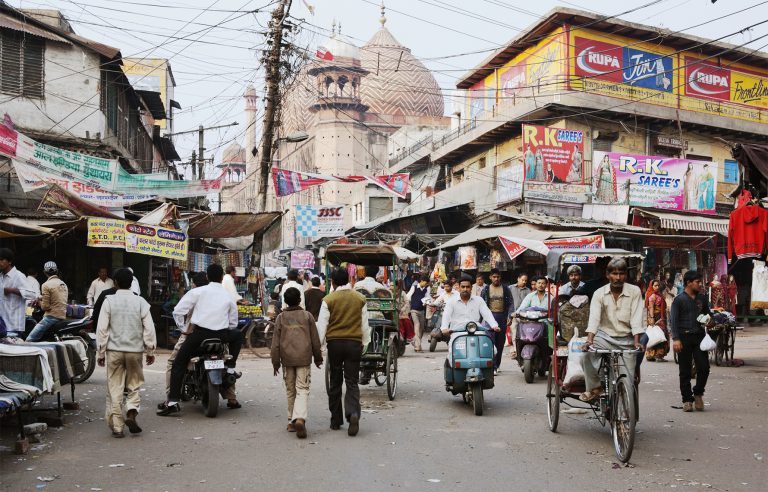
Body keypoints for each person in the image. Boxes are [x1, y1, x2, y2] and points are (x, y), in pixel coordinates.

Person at [157, 264, 243, 416]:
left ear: (208, 277)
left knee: (178, 363)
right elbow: (233, 323)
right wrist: (224, 328)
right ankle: (230, 368)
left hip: (199, 336)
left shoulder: (197, 292)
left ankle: (173, 402)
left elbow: (178, 311)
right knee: (237, 334)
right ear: (222, 277)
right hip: (221, 337)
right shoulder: (228, 295)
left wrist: (184, 329)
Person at [96, 268, 156, 438]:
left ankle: (117, 427)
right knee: (134, 384)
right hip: (134, 351)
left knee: (114, 388)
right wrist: (150, 350)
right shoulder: (141, 302)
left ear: (115, 283)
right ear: (131, 283)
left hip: (114, 351)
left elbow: (102, 329)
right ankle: (131, 410)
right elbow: (149, 328)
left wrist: (101, 352)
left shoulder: (109, 301)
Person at [579, 258, 644, 403]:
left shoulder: (635, 291)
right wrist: (589, 340)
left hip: (627, 339)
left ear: (626, 275)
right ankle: (595, 388)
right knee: (585, 356)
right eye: (614, 273)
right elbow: (594, 318)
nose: (618, 277)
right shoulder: (599, 293)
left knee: (628, 382)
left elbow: (636, 318)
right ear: (608, 275)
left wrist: (636, 342)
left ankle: (625, 408)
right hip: (604, 338)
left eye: (621, 273)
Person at [316, 268, 371, 436]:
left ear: (332, 282)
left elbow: (322, 326)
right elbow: (364, 325)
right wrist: (365, 342)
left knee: (335, 381)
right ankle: (353, 413)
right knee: (352, 381)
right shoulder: (360, 298)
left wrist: (319, 347)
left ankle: (335, 419)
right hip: (354, 344)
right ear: (348, 279)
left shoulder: (328, 300)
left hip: (335, 344)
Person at [271, 287, 323, 439]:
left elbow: (275, 344)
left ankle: (290, 421)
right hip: (303, 359)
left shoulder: (280, 318)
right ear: (300, 300)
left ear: (285, 302)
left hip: (287, 360)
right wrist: (318, 358)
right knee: (302, 389)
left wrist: (275, 363)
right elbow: (315, 340)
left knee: (290, 390)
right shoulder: (307, 316)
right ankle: (299, 418)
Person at [670, 270, 711, 412]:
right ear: (688, 283)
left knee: (704, 368)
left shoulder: (702, 299)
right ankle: (687, 399)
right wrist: (676, 339)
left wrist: (710, 321)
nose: (700, 284)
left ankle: (698, 393)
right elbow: (673, 321)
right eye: (697, 282)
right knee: (685, 370)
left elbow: (708, 314)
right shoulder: (679, 300)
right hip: (683, 337)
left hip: (699, 337)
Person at [440, 275, 499, 365]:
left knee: (492, 350)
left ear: (471, 288)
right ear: (459, 288)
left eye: (468, 287)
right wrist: (444, 328)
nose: (465, 289)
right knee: (452, 355)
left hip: (477, 331)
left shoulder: (479, 300)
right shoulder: (451, 301)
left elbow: (487, 313)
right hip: (458, 332)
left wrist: (494, 325)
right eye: (463, 287)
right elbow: (446, 315)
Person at [480, 268, 514, 374]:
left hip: (501, 317)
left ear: (500, 277)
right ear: (490, 277)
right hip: (489, 318)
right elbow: (481, 304)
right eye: (494, 277)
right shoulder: (486, 289)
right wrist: (479, 320)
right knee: (490, 342)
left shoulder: (506, 289)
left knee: (500, 343)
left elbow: (511, 303)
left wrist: (510, 316)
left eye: (498, 277)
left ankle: (497, 364)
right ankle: (492, 366)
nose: (496, 279)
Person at [26, 262, 68, 342]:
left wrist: (39, 302)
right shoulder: (63, 284)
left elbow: (45, 307)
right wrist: (40, 298)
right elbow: (55, 296)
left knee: (29, 340)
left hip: (50, 317)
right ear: (57, 271)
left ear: (44, 272)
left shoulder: (46, 285)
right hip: (62, 315)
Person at [0, 248, 36, 333]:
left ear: (9, 261)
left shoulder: (18, 276)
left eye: (1, 260)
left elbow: (32, 294)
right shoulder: (0, 277)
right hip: (2, 326)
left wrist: (11, 290)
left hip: (13, 326)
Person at [644, 280, 669, 362]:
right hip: (656, 318)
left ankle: (652, 355)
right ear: (651, 286)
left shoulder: (658, 294)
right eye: (655, 285)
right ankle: (657, 355)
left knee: (656, 335)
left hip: (660, 318)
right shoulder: (652, 295)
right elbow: (650, 307)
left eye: (658, 285)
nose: (657, 287)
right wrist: (652, 318)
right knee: (658, 336)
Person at [508, 272, 531, 359]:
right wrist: (509, 315)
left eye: (526, 280)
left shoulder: (528, 291)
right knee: (514, 334)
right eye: (522, 280)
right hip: (513, 315)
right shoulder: (510, 288)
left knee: (524, 334)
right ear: (518, 279)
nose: (524, 282)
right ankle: (516, 351)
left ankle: (523, 351)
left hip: (524, 316)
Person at [406, 274, 430, 352]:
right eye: (426, 282)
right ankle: (417, 346)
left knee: (422, 328)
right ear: (422, 281)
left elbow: (428, 298)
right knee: (417, 325)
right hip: (414, 310)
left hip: (422, 311)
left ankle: (416, 342)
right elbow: (408, 296)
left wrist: (426, 302)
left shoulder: (426, 289)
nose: (426, 284)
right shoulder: (414, 287)